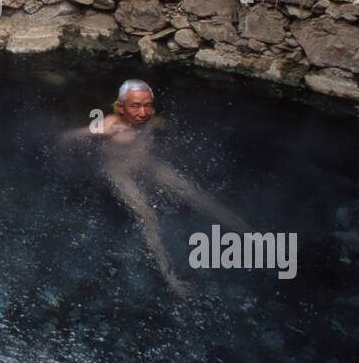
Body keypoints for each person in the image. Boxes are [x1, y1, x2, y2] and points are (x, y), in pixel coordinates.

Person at [78, 80, 252, 297]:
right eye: (135, 106)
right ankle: (171, 278)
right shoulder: (109, 125)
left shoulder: (149, 118)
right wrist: (65, 160)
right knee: (148, 217)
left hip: (148, 165)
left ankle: (247, 233)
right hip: (119, 173)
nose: (143, 111)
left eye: (147, 105)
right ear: (121, 107)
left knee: (194, 194)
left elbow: (158, 134)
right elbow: (70, 137)